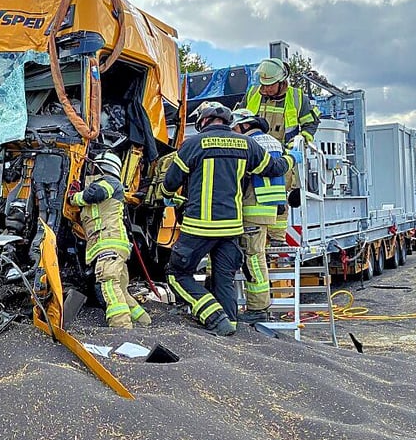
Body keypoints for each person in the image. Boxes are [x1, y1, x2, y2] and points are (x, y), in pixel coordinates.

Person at [162, 101, 297, 336]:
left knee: (177, 274)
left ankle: (214, 316)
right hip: (232, 228)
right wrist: (292, 158)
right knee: (223, 278)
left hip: (199, 227)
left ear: (203, 121)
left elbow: (171, 182)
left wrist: (167, 196)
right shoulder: (246, 144)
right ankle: (229, 324)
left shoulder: (193, 144)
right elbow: (275, 168)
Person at [237, 58, 320, 247]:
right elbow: (239, 119)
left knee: (279, 197)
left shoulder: (297, 97)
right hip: (252, 155)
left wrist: (301, 141)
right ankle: (249, 235)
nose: (265, 89)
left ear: (282, 81)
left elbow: (310, 123)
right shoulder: (252, 94)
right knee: (249, 194)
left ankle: (277, 238)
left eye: (270, 85)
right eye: (263, 85)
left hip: (282, 155)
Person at [69, 151, 151, 329]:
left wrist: (73, 196)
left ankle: (120, 327)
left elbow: (93, 194)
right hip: (112, 244)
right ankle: (144, 321)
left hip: (108, 243)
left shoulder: (109, 182)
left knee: (109, 283)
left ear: (100, 167)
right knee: (120, 289)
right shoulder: (110, 185)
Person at [230, 109, 294, 324]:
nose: (233, 133)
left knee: (253, 258)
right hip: (269, 209)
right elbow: (285, 177)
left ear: (245, 125)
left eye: (234, 128)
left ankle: (258, 307)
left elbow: (239, 176)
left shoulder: (248, 144)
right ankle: (258, 305)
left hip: (251, 209)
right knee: (255, 256)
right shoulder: (274, 142)